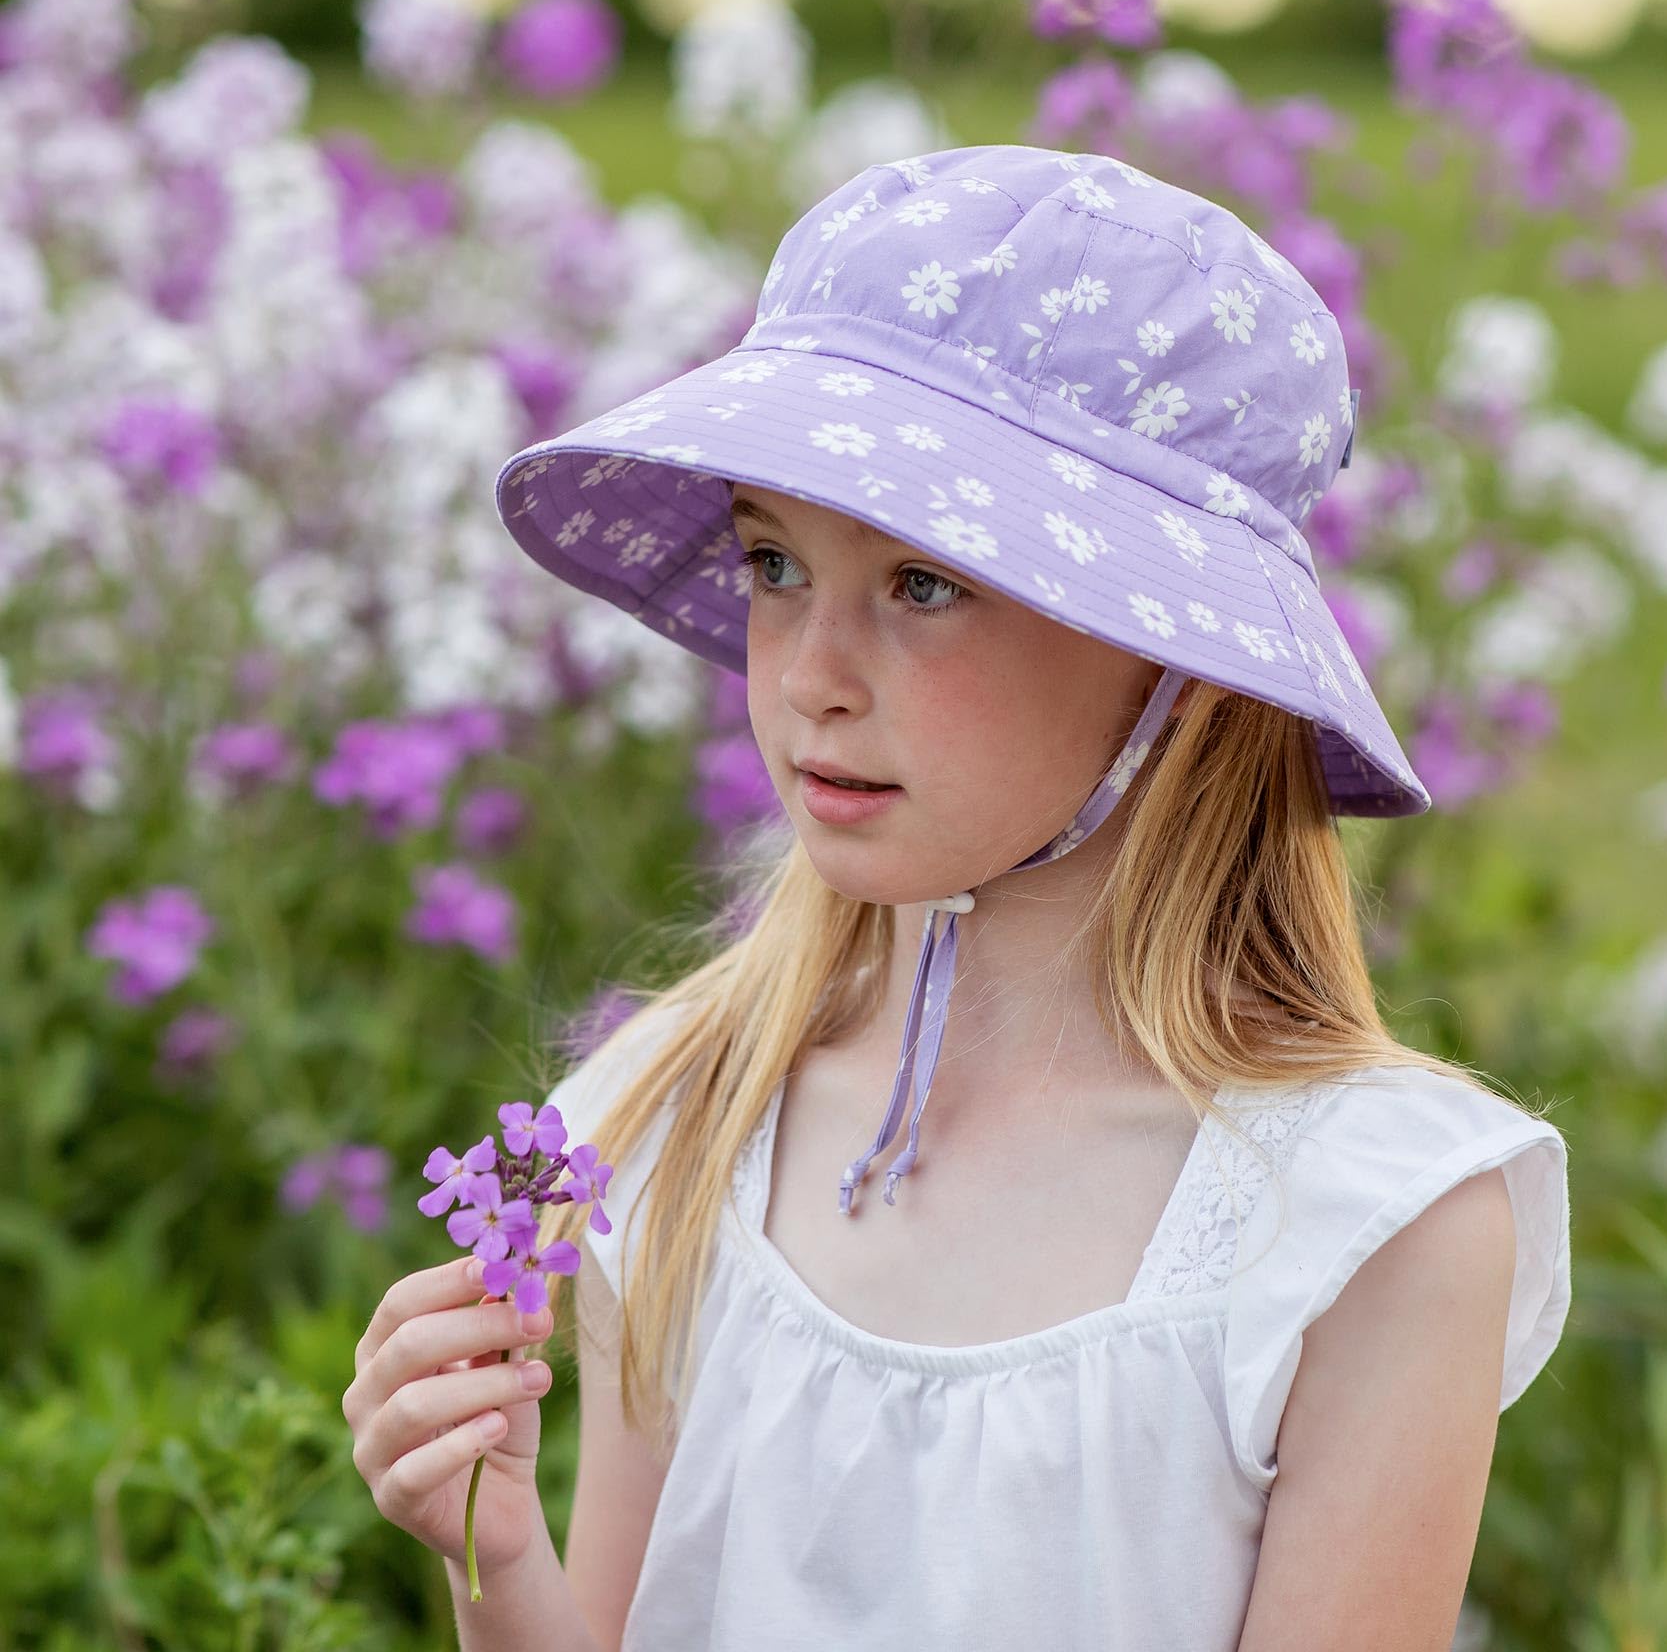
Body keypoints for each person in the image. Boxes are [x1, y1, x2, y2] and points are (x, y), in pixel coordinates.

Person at [347, 144, 1572, 1650]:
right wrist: (488, 1548)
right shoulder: (684, 1116)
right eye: (774, 565)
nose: (809, 679)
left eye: (926, 586)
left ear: (1180, 667)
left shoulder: (1362, 1224)